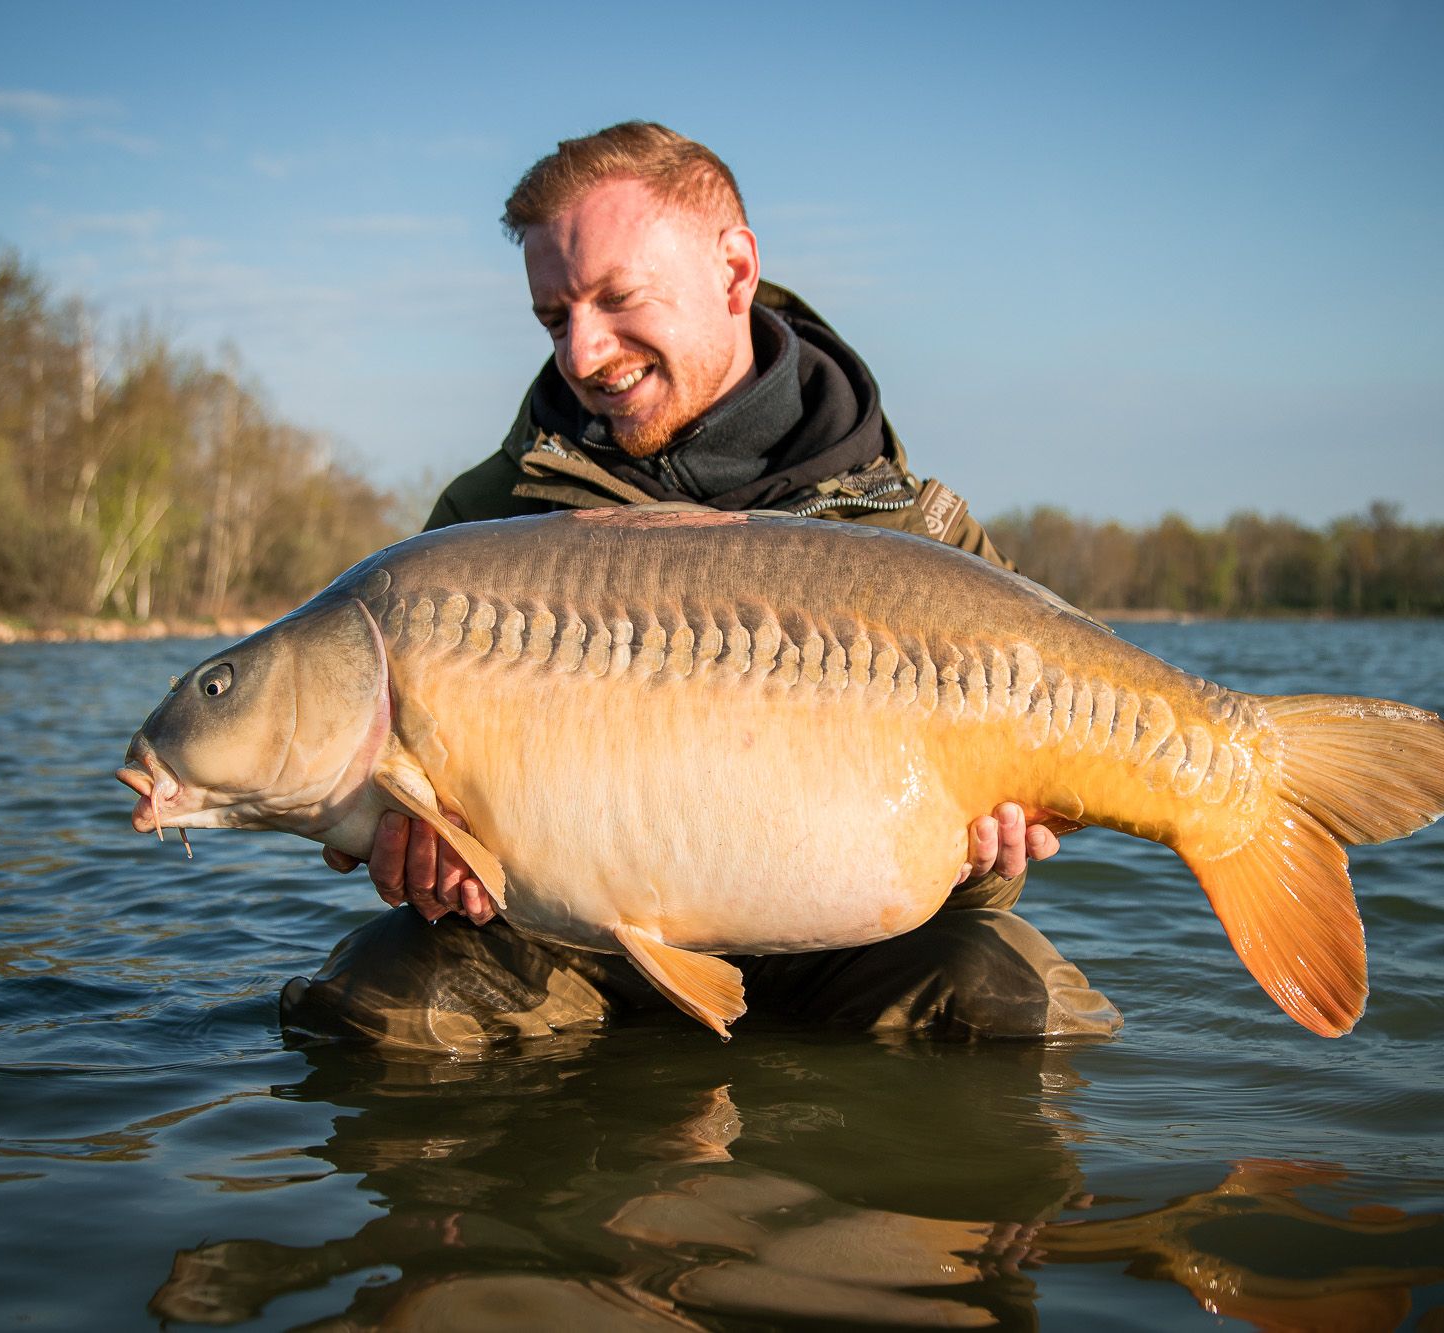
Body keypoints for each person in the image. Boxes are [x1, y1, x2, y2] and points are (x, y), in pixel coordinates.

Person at [279, 122, 1121, 1050]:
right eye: (555, 318)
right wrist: (428, 868)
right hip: (569, 944)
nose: (582, 353)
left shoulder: (916, 528)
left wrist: (991, 858)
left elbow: (990, 880)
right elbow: (420, 816)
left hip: (843, 941)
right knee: (378, 1008)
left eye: (618, 298)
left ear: (735, 271)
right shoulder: (483, 524)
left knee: (1023, 1003)